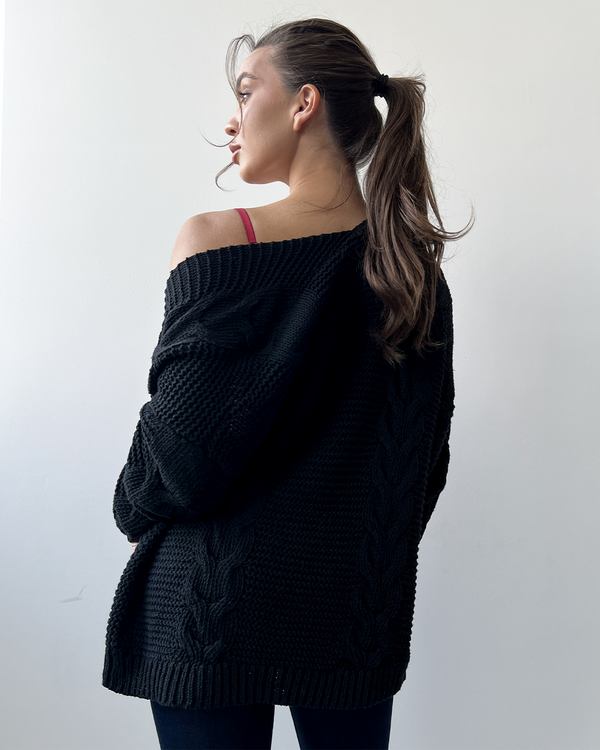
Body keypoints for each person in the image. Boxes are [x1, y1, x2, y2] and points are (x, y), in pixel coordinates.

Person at [102, 16, 471, 750]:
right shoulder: (413, 276)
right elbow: (420, 469)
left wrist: (130, 503)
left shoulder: (217, 241)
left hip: (209, 613)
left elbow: (179, 461)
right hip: (351, 617)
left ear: (304, 103)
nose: (232, 120)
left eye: (246, 92)